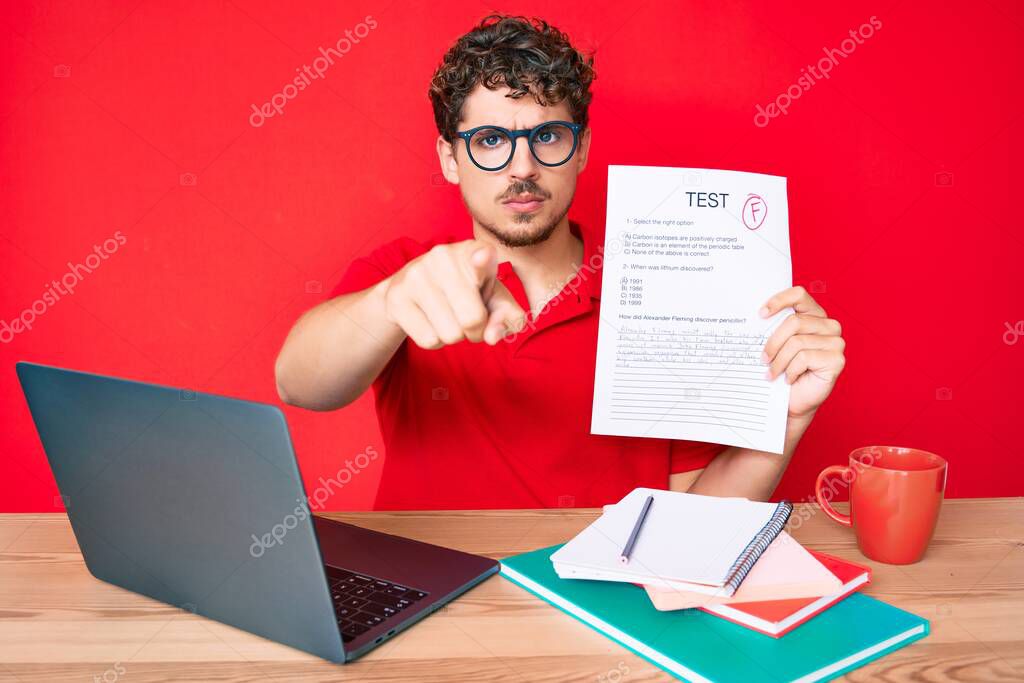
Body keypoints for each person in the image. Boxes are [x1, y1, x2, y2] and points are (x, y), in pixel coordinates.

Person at [275, 14, 846, 509]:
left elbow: (693, 523)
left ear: (584, 149)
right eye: (491, 140)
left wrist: (787, 420)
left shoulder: (667, 293)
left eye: (547, 135)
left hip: (597, 611)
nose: (522, 167)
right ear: (450, 158)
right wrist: (390, 301)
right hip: (429, 603)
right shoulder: (405, 272)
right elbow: (300, 383)